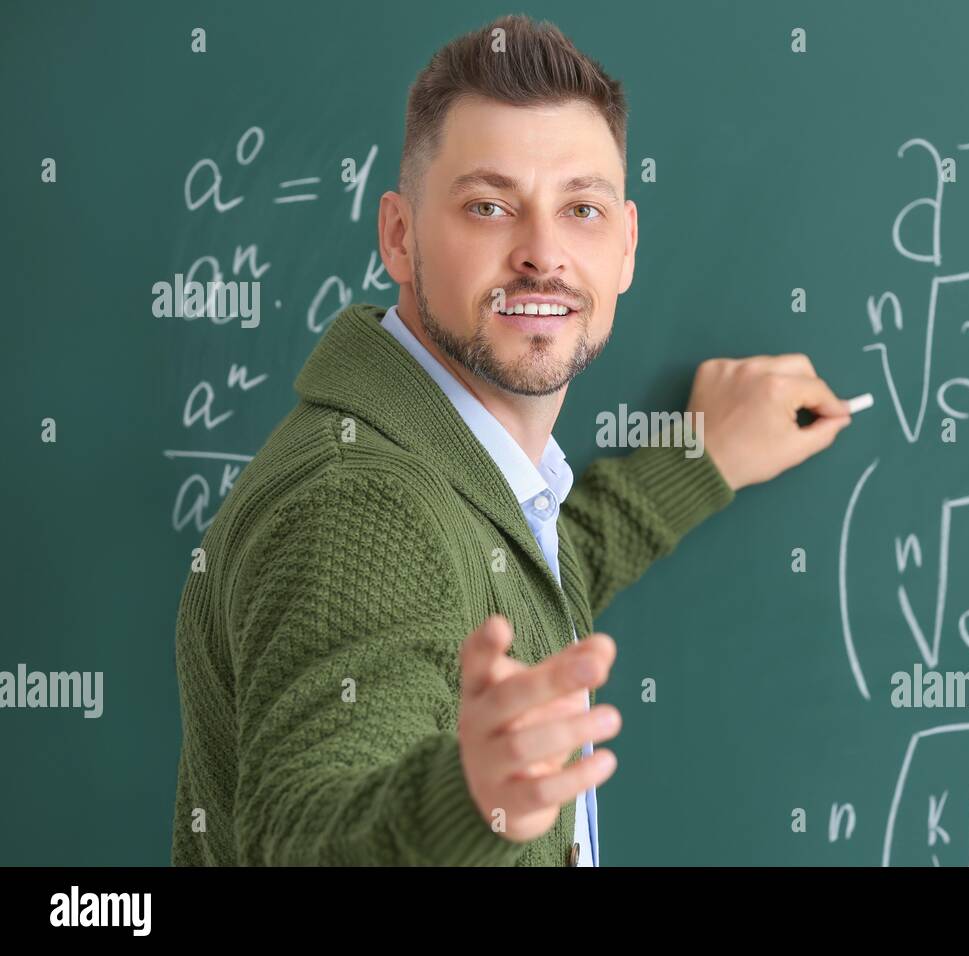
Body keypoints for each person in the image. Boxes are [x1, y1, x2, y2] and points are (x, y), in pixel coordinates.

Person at [170, 13, 851, 867]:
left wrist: (697, 460)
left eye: (583, 209)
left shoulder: (447, 476)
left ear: (628, 246)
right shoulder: (360, 505)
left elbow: (513, 571)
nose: (542, 253)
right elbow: (305, 836)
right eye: (489, 206)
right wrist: (464, 801)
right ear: (399, 236)